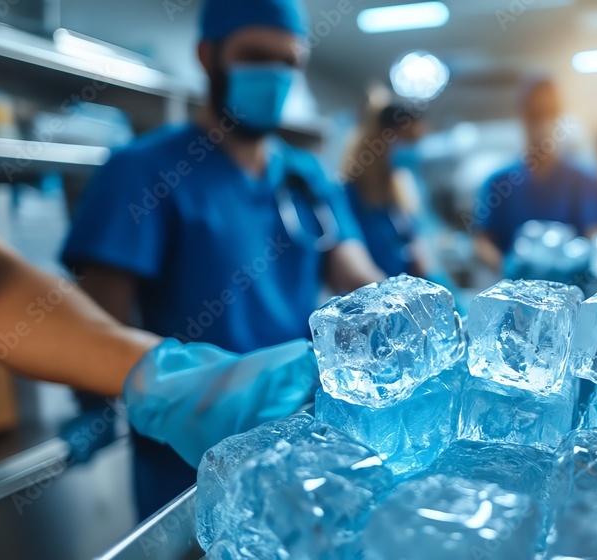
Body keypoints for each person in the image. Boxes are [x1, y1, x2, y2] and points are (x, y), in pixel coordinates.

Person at [62, 0, 385, 517]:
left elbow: (357, 276)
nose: (275, 75)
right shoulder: (143, 171)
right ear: (208, 56)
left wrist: (416, 316)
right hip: (190, 461)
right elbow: (98, 319)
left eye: (289, 62)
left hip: (300, 442)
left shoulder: (307, 176)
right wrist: (93, 403)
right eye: (256, 56)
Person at [0, 174, 318, 473]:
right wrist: (97, 402)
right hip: (167, 460)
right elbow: (104, 293)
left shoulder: (300, 173)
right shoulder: (145, 168)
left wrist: (182, 382)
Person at [471, 78, 597, 272]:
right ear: (521, 116)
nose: (543, 122)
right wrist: (509, 269)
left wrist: (582, 266)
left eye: (550, 113)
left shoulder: (584, 180)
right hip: (518, 297)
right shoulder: (499, 183)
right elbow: (482, 242)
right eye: (535, 114)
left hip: (574, 295)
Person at [343, 103, 429, 278]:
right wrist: (389, 299)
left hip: (403, 299)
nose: (413, 150)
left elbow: (419, 257)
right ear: (381, 139)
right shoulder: (347, 196)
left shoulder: (400, 198)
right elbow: (352, 268)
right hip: (366, 300)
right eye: (408, 139)